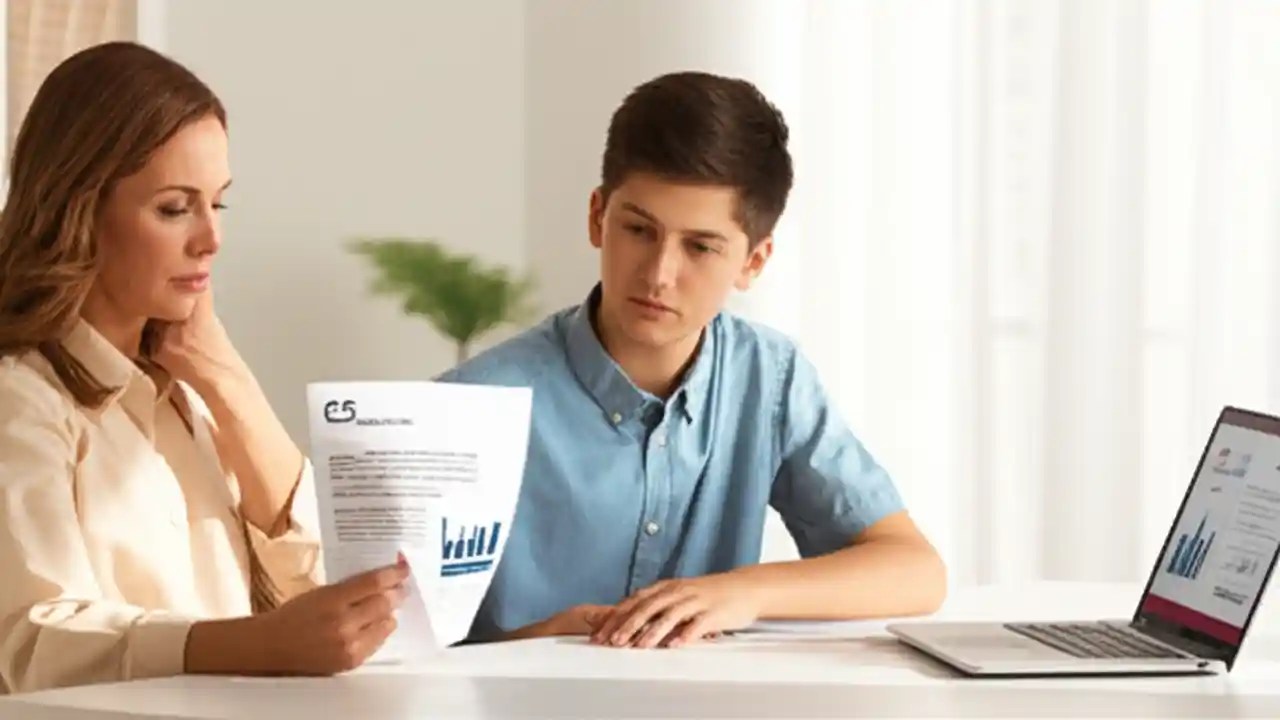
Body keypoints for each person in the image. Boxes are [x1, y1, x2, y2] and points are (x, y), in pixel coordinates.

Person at [439, 71, 948, 649]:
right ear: (596, 218)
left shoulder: (770, 380)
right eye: (638, 230)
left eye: (701, 247)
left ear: (753, 262)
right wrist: (535, 642)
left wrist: (740, 593)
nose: (658, 274)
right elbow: (387, 651)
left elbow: (915, 570)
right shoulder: (467, 407)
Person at [0, 42, 407, 694]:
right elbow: (29, 642)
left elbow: (331, 589)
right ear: (80, 209)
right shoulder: (20, 400)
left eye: (217, 203)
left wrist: (226, 380)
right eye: (173, 207)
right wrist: (255, 643)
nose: (211, 239)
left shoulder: (188, 398)